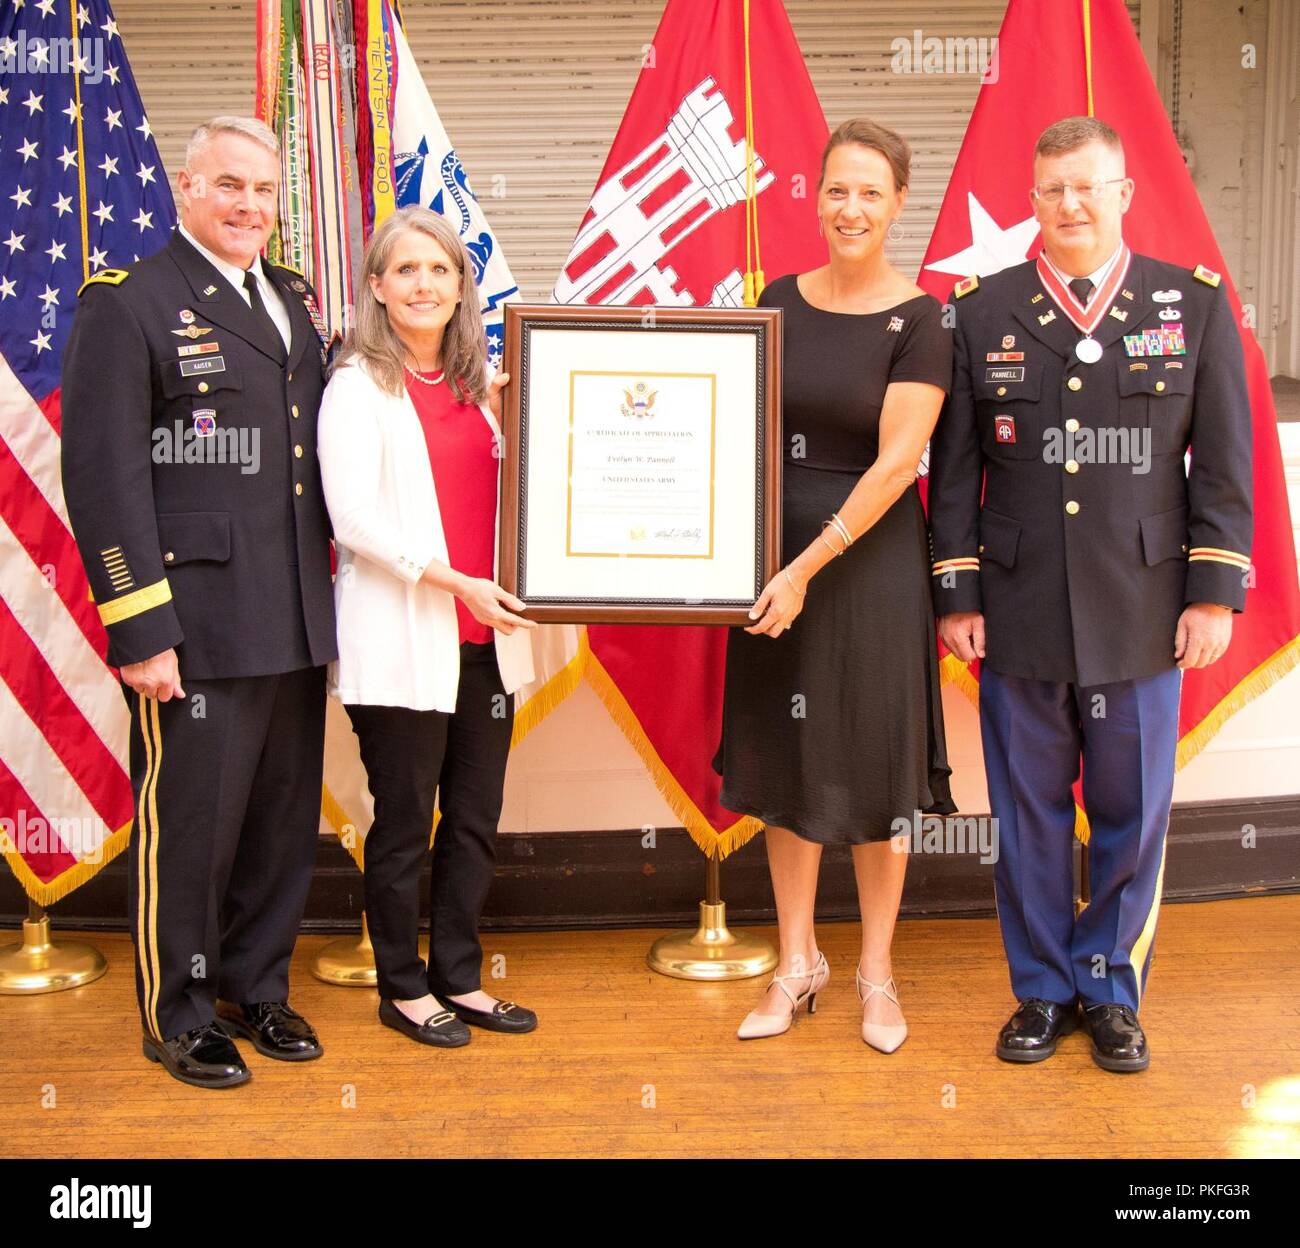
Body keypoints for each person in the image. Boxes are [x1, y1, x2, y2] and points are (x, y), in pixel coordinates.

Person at [927, 116, 1253, 1073]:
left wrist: (1213, 593)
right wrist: (957, 590)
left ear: (1123, 193)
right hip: (1018, 606)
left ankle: (1110, 989)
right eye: (1052, 190)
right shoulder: (981, 311)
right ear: (1033, 201)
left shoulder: (1186, 305)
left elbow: (1224, 464)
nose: (1070, 205)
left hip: (1147, 607)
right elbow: (955, 472)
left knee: (1132, 808)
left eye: (1087, 186)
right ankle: (1040, 991)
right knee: (1027, 812)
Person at [60, 117, 338, 1088]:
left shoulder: (290, 302)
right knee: (193, 830)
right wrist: (139, 627)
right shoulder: (129, 303)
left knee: (276, 822)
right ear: (184, 188)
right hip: (197, 622)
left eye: (263, 191)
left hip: (297, 614)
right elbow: (102, 477)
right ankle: (178, 1015)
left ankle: (256, 989)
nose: (248, 206)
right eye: (228, 186)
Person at [714, 119, 954, 1052]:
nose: (850, 208)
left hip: (866, 569)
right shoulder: (777, 299)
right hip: (774, 569)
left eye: (870, 192)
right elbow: (733, 426)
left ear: (898, 204)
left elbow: (898, 465)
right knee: (790, 770)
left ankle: (876, 974)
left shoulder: (924, 319)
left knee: (877, 776)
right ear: (814, 199)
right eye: (836, 190)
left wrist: (807, 567)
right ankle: (795, 965)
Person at [317, 205, 539, 1049]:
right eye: (405, 270)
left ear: (460, 287)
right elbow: (355, 522)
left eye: (440, 270)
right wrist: (458, 585)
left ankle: (460, 977)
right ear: (377, 287)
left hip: (485, 646)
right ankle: (402, 988)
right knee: (405, 823)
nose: (423, 284)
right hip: (407, 640)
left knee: (474, 821)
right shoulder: (356, 387)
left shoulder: (481, 391)